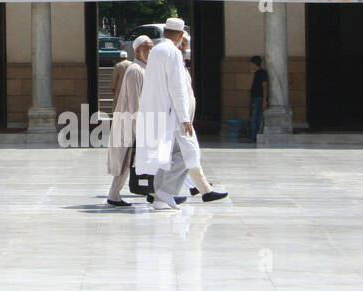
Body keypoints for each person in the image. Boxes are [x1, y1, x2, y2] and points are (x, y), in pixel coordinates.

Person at [135, 19, 227, 210]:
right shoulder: (172, 52)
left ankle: (160, 197)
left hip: (160, 111)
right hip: (173, 114)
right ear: (178, 35)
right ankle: (166, 191)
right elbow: (176, 87)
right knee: (189, 153)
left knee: (167, 154)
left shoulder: (157, 51)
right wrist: (185, 117)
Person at [106, 35, 151, 206]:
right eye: (147, 47)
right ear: (138, 50)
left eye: (152, 47)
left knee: (130, 158)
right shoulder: (135, 70)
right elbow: (134, 101)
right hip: (131, 121)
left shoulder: (144, 69)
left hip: (137, 121)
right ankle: (114, 194)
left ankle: (116, 194)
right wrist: (139, 125)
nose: (150, 51)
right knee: (126, 158)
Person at [248, 55, 268, 142]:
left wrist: (264, 100)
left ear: (255, 64)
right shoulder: (256, 73)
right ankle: (253, 136)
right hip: (254, 98)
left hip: (258, 99)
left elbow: (264, 87)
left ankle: (254, 137)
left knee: (255, 118)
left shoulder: (262, 73)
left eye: (251, 64)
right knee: (253, 117)